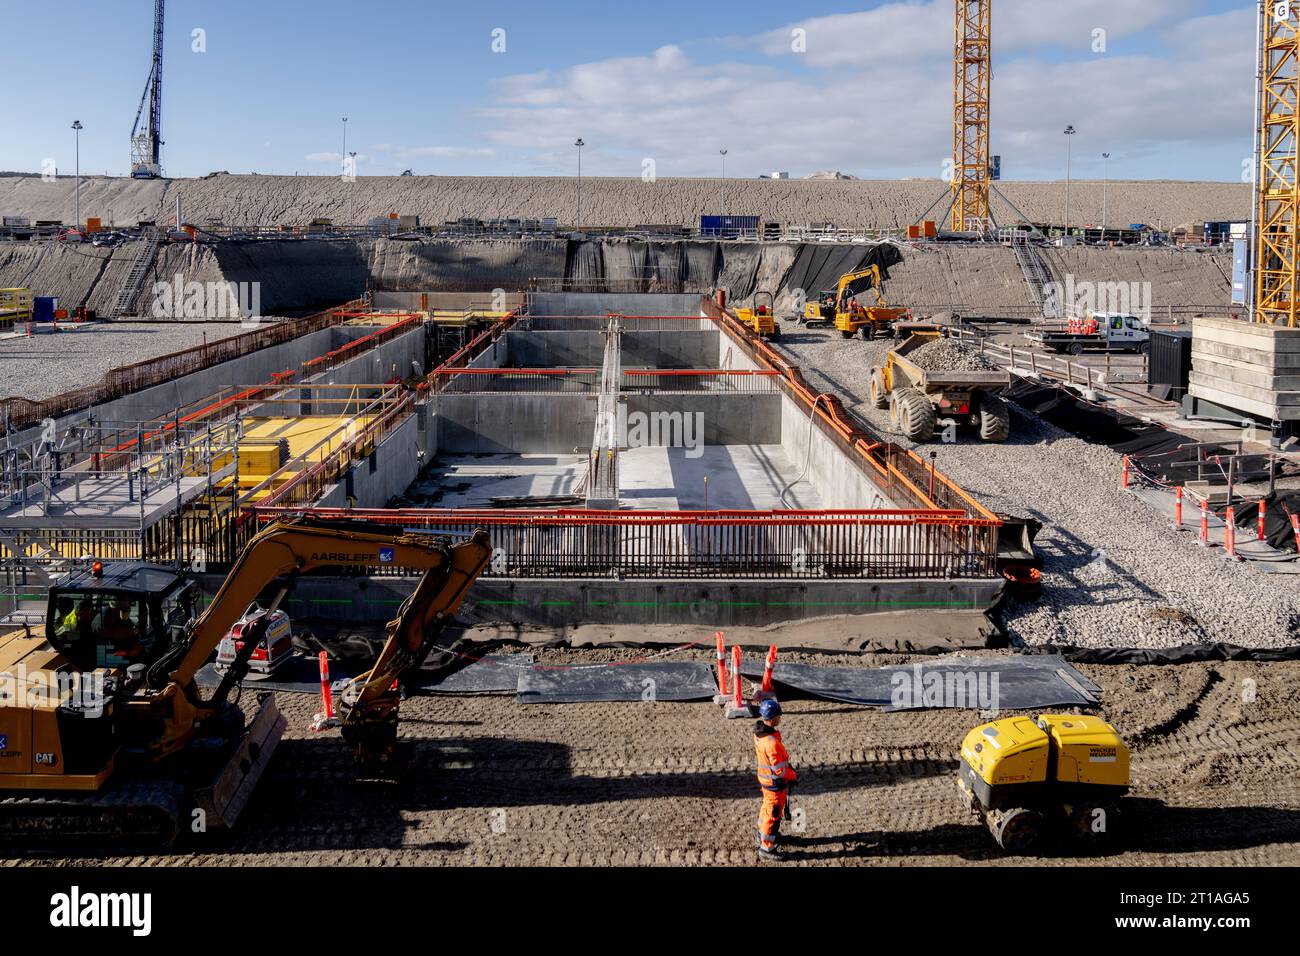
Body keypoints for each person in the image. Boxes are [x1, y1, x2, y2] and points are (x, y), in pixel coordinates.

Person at [753, 698, 797, 858]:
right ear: (772, 718)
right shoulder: (771, 743)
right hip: (774, 783)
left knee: (766, 809)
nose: (780, 718)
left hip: (765, 780)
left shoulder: (760, 734)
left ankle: (762, 834)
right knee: (773, 815)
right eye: (778, 715)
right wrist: (793, 775)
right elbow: (779, 771)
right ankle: (767, 847)